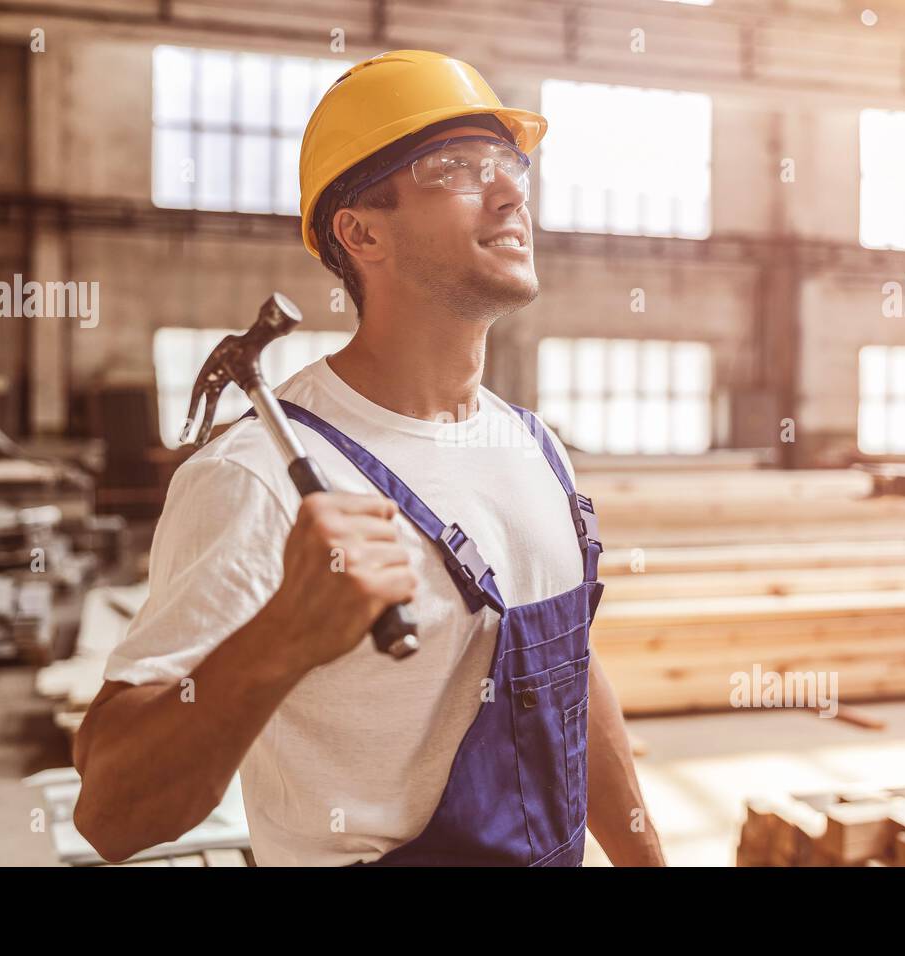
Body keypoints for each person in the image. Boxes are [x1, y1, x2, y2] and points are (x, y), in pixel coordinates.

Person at [74, 49, 664, 866]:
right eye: (457, 167)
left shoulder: (538, 449)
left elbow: (571, 675)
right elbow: (111, 812)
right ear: (360, 230)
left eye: (509, 163)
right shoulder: (254, 482)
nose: (509, 190)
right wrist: (283, 636)